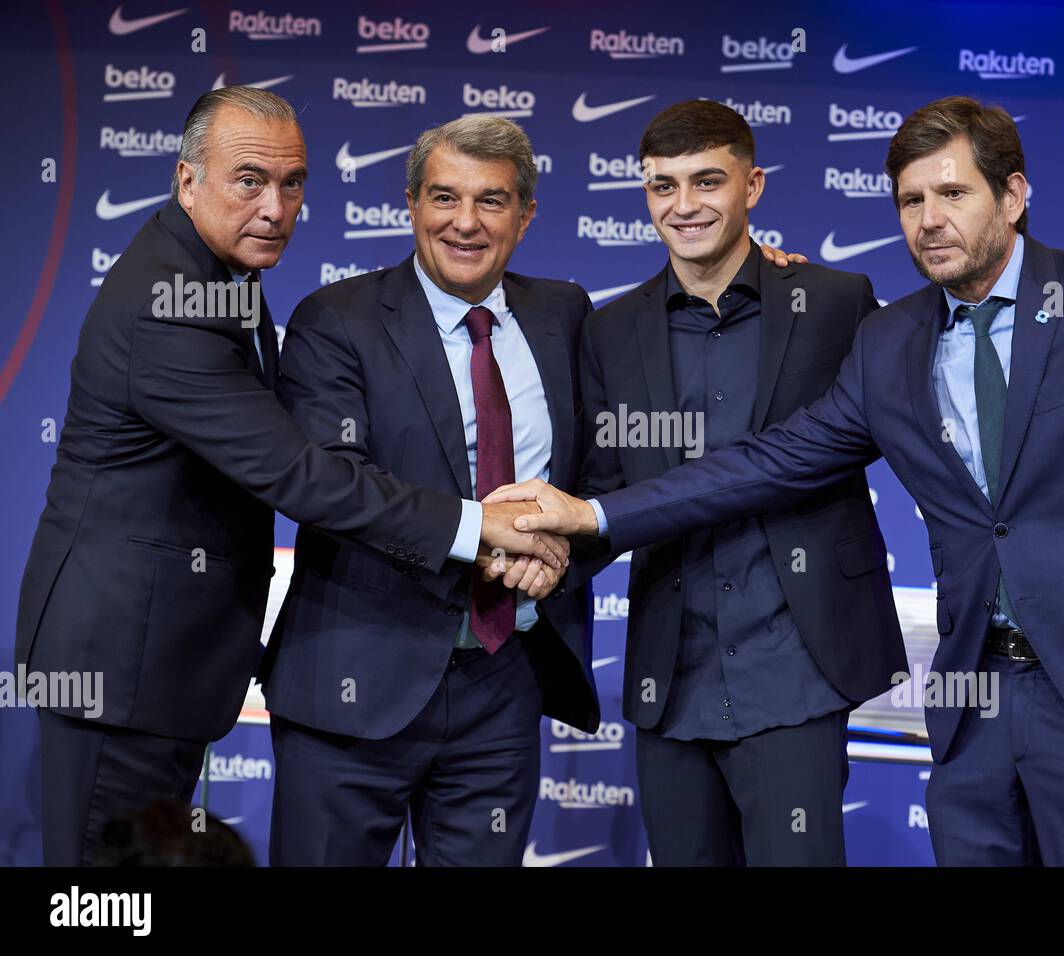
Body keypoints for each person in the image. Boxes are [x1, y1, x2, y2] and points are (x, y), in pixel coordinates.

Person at [488, 96, 1064, 866]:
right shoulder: (888, 341)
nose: (930, 219)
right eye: (911, 201)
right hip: (972, 691)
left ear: (1015, 195)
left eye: (953, 193)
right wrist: (591, 515)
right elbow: (771, 461)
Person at [16, 87, 562, 866]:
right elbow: (299, 474)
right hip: (120, 670)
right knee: (109, 900)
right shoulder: (170, 303)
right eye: (249, 181)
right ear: (186, 180)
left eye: (294, 182)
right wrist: (478, 527)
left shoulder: (213, 271)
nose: (275, 207)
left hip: (154, 665)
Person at [527, 100, 905, 866]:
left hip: (799, 667)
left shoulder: (834, 302)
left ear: (753, 186)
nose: (685, 206)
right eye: (662, 186)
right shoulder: (610, 327)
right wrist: (540, 552)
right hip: (673, 676)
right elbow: (604, 486)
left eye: (707, 181)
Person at [260, 116, 598, 866]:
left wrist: (557, 553)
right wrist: (484, 529)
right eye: (444, 197)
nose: (466, 223)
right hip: (353, 681)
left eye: (492, 201)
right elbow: (330, 485)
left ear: (527, 213)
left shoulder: (565, 314)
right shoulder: (336, 320)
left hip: (505, 685)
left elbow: (601, 470)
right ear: (411, 204)